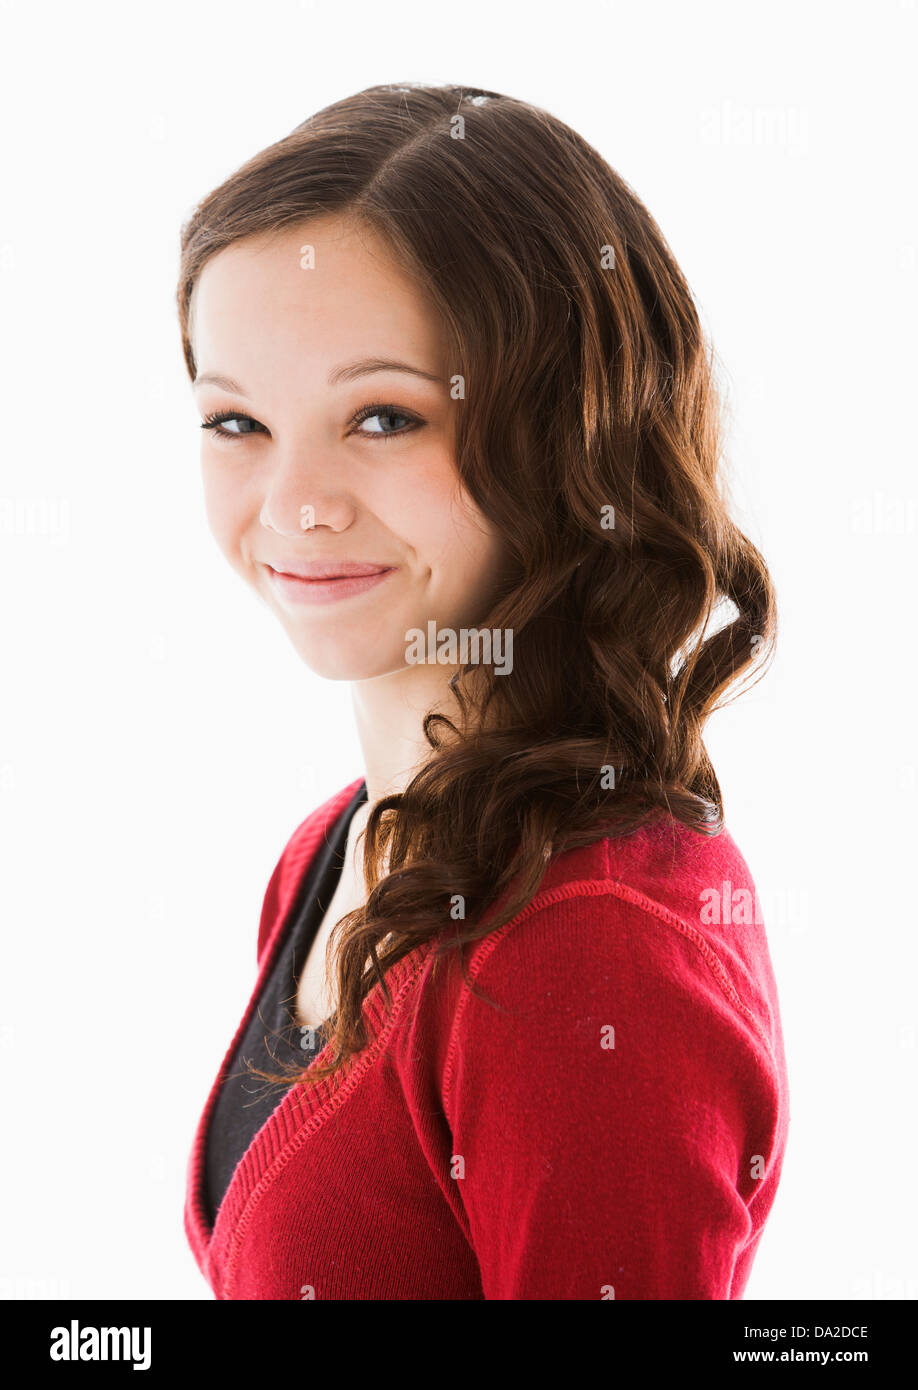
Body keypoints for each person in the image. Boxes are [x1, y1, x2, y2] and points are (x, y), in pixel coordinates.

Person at [177, 82, 789, 1300]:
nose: (296, 501)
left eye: (384, 416)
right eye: (238, 420)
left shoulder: (589, 952)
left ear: (568, 434)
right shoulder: (332, 853)